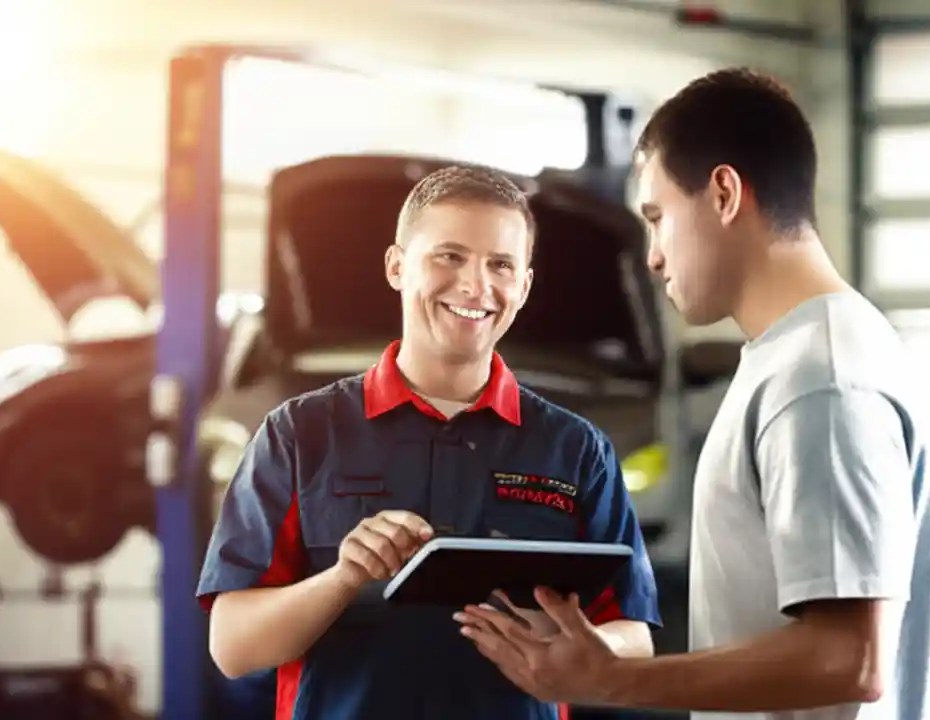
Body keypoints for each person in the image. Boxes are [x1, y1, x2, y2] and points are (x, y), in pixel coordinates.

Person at [456, 68, 930, 720]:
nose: (652, 257)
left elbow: (849, 659)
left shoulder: (819, 381)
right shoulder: (809, 357)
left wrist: (610, 680)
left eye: (658, 218)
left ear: (723, 193)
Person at [197, 165, 661, 720]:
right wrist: (345, 577)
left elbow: (635, 639)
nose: (475, 285)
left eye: (501, 265)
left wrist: (577, 648)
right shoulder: (299, 435)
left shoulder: (577, 450)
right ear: (397, 267)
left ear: (525, 286)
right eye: (450, 256)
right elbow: (233, 647)